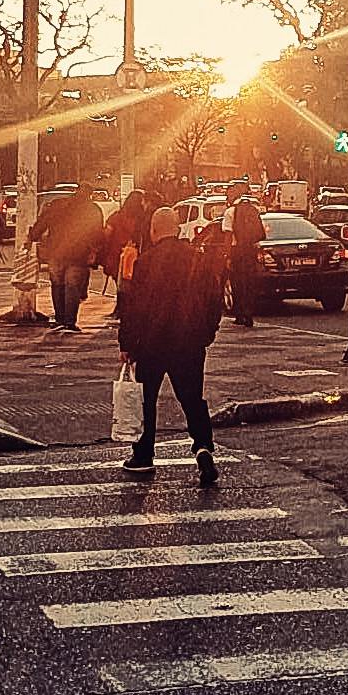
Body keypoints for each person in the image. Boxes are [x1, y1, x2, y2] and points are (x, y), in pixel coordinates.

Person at [116, 205, 224, 483]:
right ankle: (203, 448)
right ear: (177, 229)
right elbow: (215, 299)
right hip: (189, 342)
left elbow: (133, 307)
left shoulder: (145, 262)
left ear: (154, 231)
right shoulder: (195, 258)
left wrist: (126, 342)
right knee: (192, 399)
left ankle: (143, 455)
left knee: (146, 400)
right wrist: (208, 331)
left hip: (151, 343)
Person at [29, 186, 104, 330]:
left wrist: (33, 236)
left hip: (56, 252)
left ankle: (59, 318)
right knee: (72, 287)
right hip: (79, 254)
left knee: (57, 285)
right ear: (90, 195)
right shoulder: (92, 210)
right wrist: (95, 252)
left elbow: (43, 222)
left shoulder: (58, 204)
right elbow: (97, 233)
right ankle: (69, 321)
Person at [229, 185, 266, 330]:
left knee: (237, 283)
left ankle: (239, 315)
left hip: (237, 251)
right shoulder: (252, 209)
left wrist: (227, 256)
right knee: (249, 283)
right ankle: (249, 314)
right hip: (251, 250)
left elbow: (227, 235)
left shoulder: (231, 211)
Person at [102, 189, 149, 299]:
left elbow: (107, 233)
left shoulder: (117, 216)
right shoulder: (142, 219)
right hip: (135, 255)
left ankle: (120, 306)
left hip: (117, 254)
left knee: (120, 283)